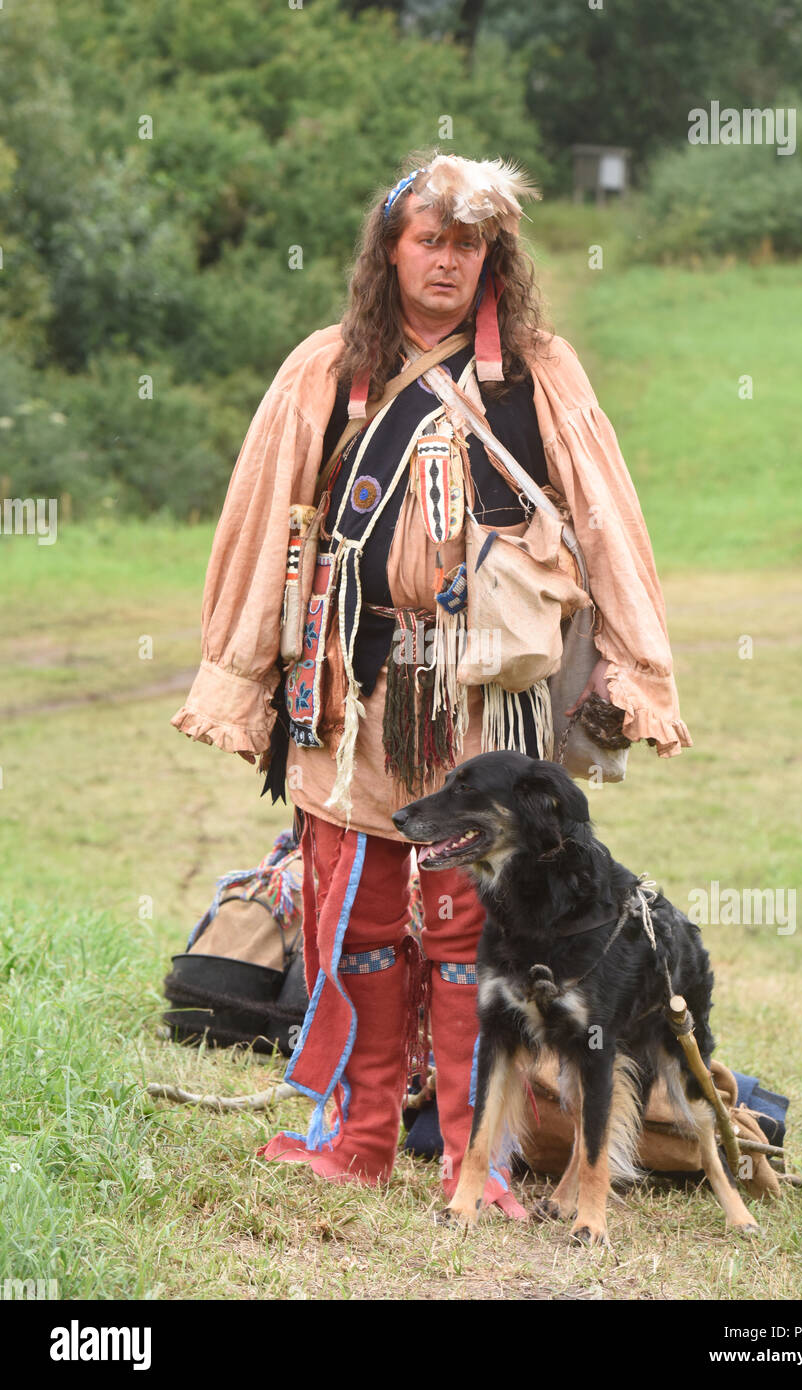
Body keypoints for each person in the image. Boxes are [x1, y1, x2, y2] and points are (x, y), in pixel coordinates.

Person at [172, 152, 691, 1218]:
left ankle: (475, 1156)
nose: (448, 261)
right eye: (429, 241)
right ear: (391, 249)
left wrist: (633, 667)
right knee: (356, 920)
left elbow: (608, 522)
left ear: (492, 257)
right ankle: (361, 1135)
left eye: (468, 244)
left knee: (473, 932)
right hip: (350, 690)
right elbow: (261, 524)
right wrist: (241, 674)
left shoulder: (540, 374)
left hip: (489, 703)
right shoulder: (326, 370)